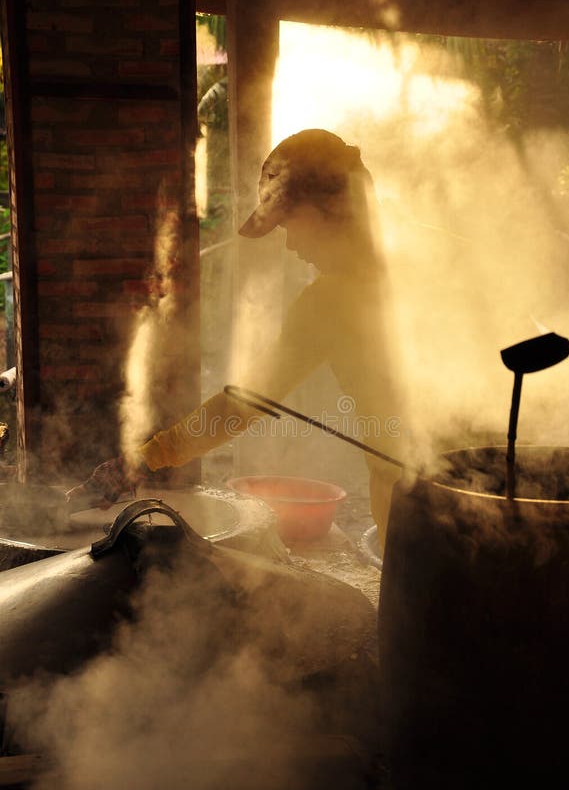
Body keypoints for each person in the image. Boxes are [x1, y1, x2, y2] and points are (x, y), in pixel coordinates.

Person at [67, 129, 408, 547]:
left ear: (330, 209)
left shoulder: (334, 300)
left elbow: (240, 406)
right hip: (409, 508)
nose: (292, 244)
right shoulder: (367, 280)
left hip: (427, 509)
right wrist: (146, 459)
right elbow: (243, 403)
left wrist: (143, 461)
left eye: (291, 223)